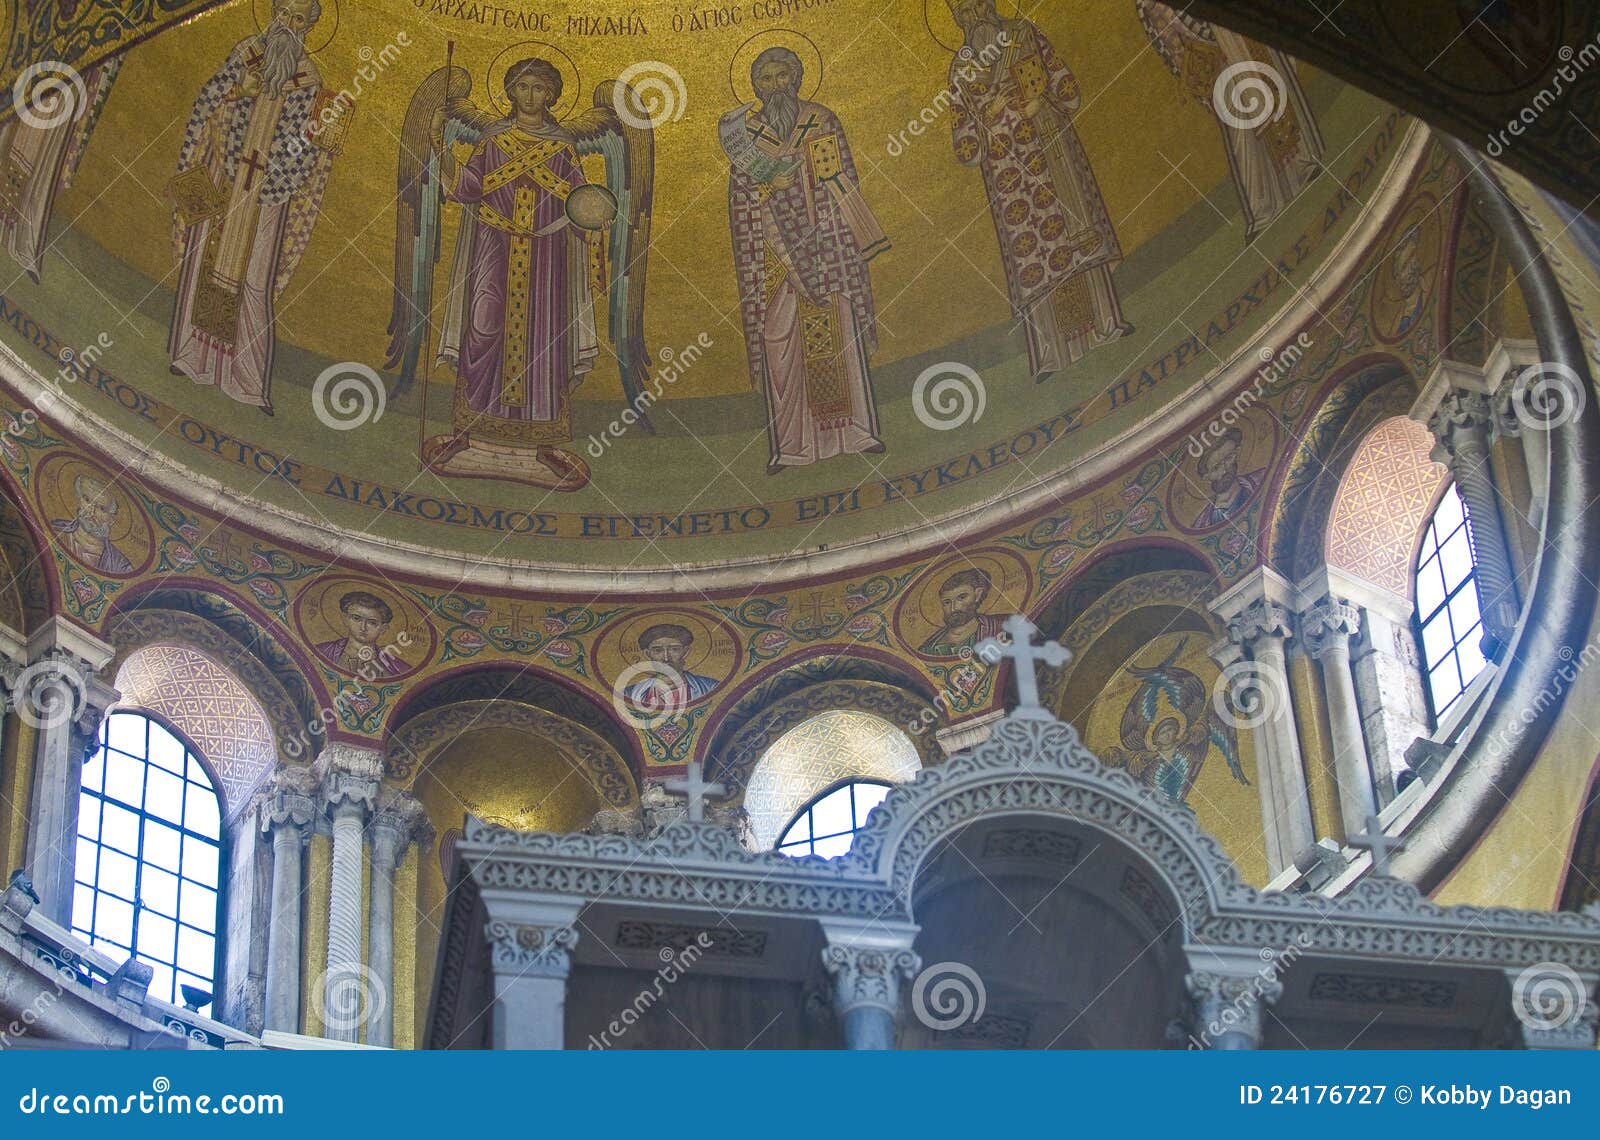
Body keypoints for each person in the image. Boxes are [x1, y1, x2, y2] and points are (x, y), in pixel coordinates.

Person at [723, 46, 887, 472]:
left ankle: (856, 433)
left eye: (782, 77)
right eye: (766, 79)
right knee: (780, 342)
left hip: (826, 246)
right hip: (775, 259)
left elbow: (842, 177)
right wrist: (767, 187)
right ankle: (792, 446)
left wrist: (806, 184)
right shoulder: (746, 136)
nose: (776, 87)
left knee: (839, 335)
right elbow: (739, 203)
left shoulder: (820, 120)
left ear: (795, 79)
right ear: (755, 87)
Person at [51, 473, 133, 574]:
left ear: (111, 520)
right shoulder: (55, 530)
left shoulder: (120, 565)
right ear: (79, 500)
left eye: (102, 508)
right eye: (87, 500)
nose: (92, 511)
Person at [624, 623, 719, 709]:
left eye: (674, 649)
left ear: (685, 652)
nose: (666, 658)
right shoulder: (629, 693)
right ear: (648, 654)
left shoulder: (710, 687)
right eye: (657, 650)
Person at [315, 590, 406, 675]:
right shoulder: (322, 652)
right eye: (356, 618)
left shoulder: (398, 668)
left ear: (383, 628)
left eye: (372, 622)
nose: (363, 627)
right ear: (345, 619)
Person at [919, 568, 1006, 656]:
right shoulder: (928, 647)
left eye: (961, 598)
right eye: (947, 602)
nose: (953, 608)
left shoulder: (1001, 626)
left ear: (978, 594)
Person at [1191, 426, 1264, 529]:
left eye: (1229, 458)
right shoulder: (1202, 525)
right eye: (1216, 468)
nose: (1224, 470)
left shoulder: (1262, 479)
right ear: (1206, 477)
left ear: (1237, 453)